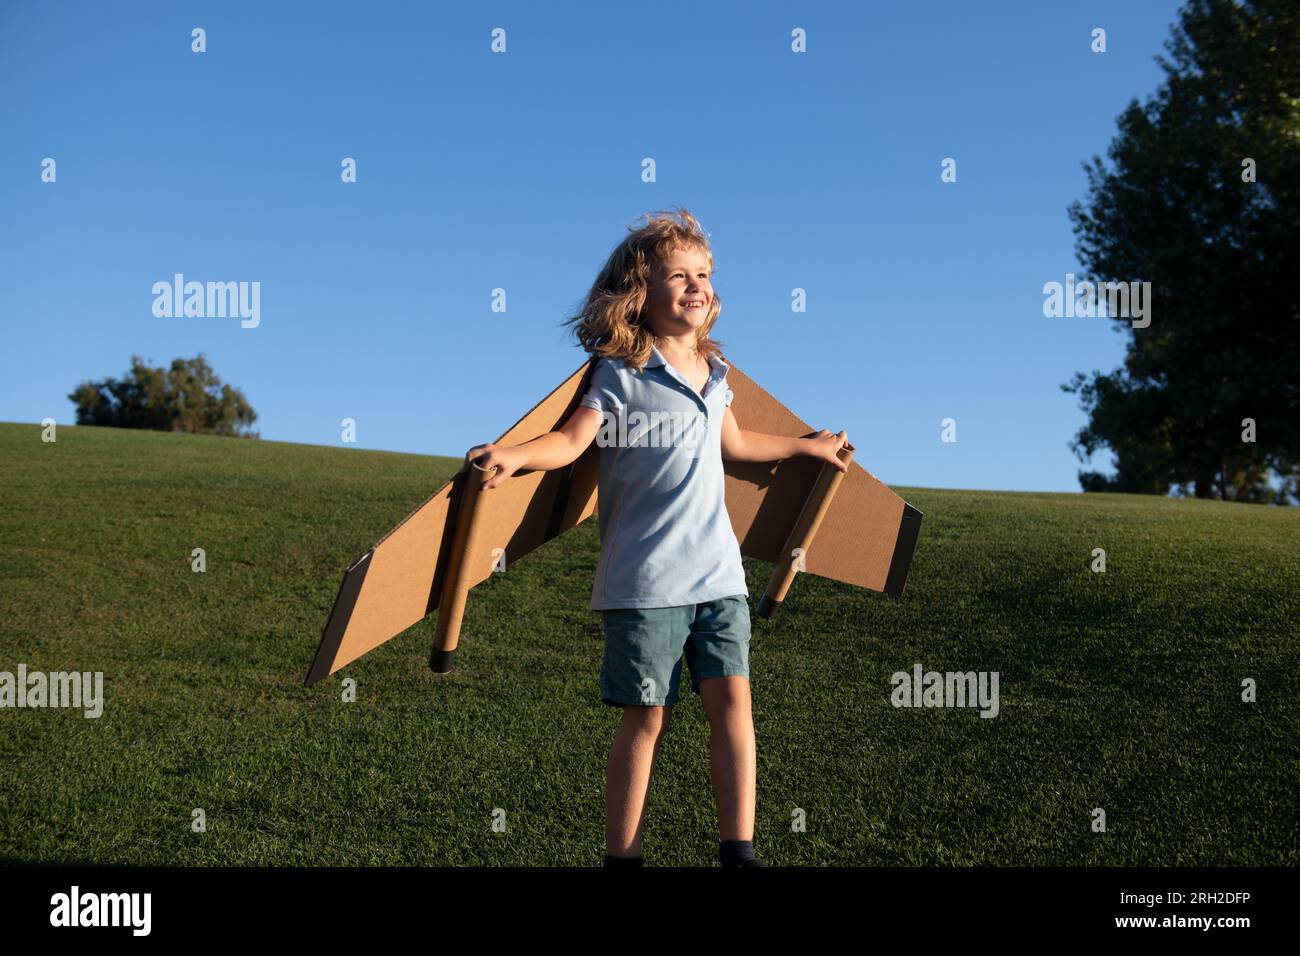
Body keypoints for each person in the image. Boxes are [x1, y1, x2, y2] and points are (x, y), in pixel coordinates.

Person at [464, 207, 848, 867]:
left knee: (733, 703)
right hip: (646, 582)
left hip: (719, 576)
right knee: (648, 719)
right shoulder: (619, 371)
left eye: (705, 275)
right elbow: (570, 442)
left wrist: (804, 446)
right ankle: (624, 857)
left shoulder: (716, 374)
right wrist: (512, 454)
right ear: (641, 289)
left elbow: (737, 445)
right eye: (680, 275)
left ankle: (739, 849)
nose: (697, 286)